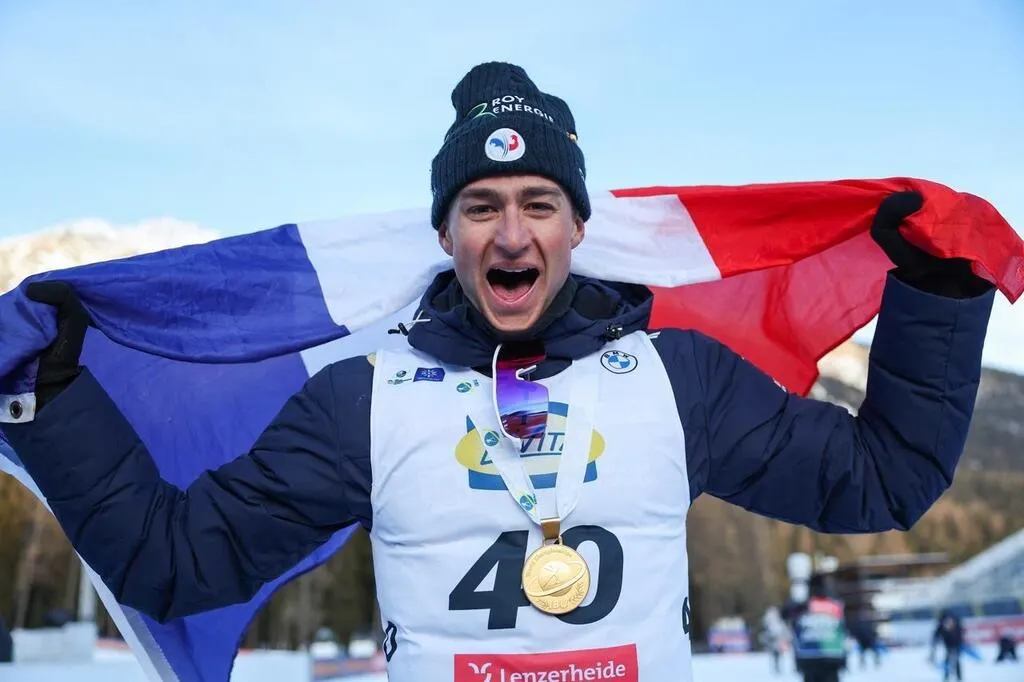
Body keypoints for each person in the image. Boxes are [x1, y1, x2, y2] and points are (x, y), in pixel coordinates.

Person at [0, 61, 997, 682]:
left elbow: (883, 478)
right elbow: (173, 561)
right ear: (445, 233)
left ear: (577, 227)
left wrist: (937, 294)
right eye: (480, 205)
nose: (510, 232)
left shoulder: (679, 380)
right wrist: (45, 394)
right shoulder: (365, 398)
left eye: (537, 203)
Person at [791, 574, 847, 682]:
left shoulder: (803, 607)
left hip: (808, 655)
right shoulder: (835, 606)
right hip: (832, 654)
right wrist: (843, 658)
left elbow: (796, 632)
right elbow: (841, 632)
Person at [931, 610, 965, 681]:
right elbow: (937, 634)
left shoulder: (956, 625)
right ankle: (947, 677)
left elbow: (960, 634)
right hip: (948, 644)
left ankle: (958, 677)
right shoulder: (941, 625)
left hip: (956, 644)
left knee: (956, 660)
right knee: (948, 660)